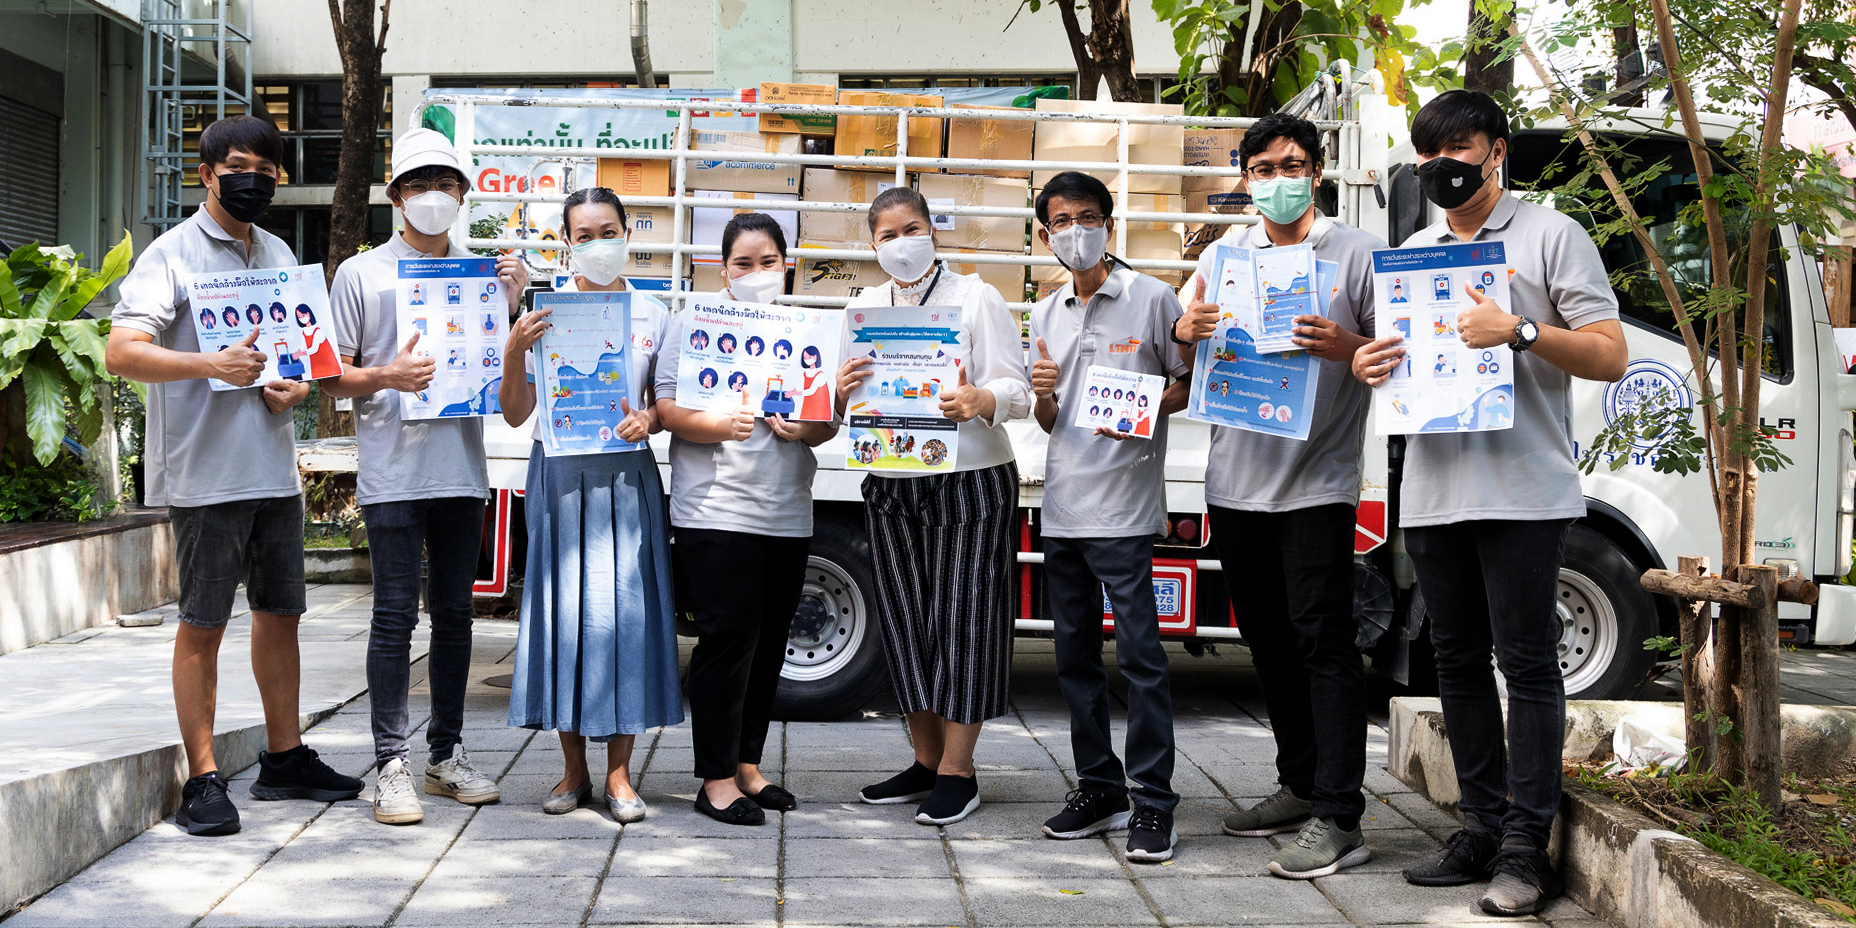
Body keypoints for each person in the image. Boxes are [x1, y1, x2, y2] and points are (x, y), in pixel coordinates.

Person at [1350, 90, 1628, 916]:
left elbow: (1609, 354)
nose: (1444, 166)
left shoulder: (1550, 235)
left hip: (1524, 491)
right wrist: (1374, 364)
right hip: (1434, 492)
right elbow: (1401, 360)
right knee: (1455, 663)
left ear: (1496, 151)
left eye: (1460, 148)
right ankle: (1476, 828)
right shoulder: (1415, 249)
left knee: (1529, 665)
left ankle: (1524, 847)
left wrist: (1522, 332)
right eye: (1428, 151)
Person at [104, 114, 363, 837]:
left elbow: (305, 364)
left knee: (282, 616)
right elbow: (121, 352)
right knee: (203, 625)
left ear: (279, 178)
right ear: (206, 173)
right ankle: (204, 778)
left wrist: (295, 388)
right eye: (237, 167)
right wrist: (207, 364)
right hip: (205, 475)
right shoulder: (172, 255)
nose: (251, 180)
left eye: (265, 169)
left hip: (273, 471)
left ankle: (284, 757)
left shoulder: (277, 248)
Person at [1172, 112, 1385, 879]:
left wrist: (1347, 345)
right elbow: (1181, 343)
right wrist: (1187, 325)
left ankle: (1341, 815)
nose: (1278, 180)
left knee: (1325, 643)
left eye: (1292, 165)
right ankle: (1300, 784)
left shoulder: (1357, 254)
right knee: (1266, 640)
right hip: (1235, 483)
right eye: (1262, 168)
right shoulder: (1226, 253)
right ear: (1246, 177)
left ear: (1318, 173)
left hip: (1318, 485)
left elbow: (1400, 358)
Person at [322, 129, 527, 825]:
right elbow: (328, 374)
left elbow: (508, 389)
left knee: (457, 618)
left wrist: (513, 304)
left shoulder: (483, 276)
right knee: (390, 619)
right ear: (395, 197)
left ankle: (446, 754)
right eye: (418, 186)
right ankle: (390, 764)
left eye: (445, 185)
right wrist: (387, 375)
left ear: (463, 196)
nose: (432, 198)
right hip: (391, 473)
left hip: (462, 472)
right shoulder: (362, 274)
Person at [836, 187, 1030, 826]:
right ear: (872, 245)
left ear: (933, 230)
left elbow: (1018, 389)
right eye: (887, 234)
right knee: (903, 618)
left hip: (970, 476)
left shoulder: (976, 297)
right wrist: (838, 392)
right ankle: (924, 761)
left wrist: (981, 399)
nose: (901, 243)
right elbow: (842, 399)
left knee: (963, 618)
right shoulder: (863, 307)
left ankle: (959, 770)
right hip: (892, 476)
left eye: (911, 228)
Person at [499, 186, 680, 823]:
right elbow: (518, 412)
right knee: (565, 617)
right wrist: (517, 348)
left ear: (628, 233)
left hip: (627, 482)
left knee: (626, 620)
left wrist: (650, 419)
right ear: (567, 242)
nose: (598, 244)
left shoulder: (654, 312)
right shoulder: (546, 311)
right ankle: (572, 771)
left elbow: (666, 402)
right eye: (584, 235)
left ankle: (621, 775)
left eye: (609, 231)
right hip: (560, 475)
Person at [1025, 171, 1189, 862]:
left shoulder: (1153, 297)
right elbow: (1051, 419)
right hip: (1062, 507)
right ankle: (1099, 785)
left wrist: (1145, 408)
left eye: (1087, 217)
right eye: (1060, 221)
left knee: (1144, 661)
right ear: (1044, 235)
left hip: (1124, 510)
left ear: (1109, 225)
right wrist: (1040, 397)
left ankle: (1153, 800)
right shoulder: (1045, 310)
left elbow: (1190, 382)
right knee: (1073, 661)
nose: (1075, 231)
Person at [656, 212, 837, 826]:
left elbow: (827, 423)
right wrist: (718, 425)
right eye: (743, 263)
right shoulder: (693, 324)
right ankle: (714, 778)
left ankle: (748, 766)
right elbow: (667, 408)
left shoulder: (806, 329)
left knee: (768, 646)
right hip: (716, 509)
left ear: (785, 264)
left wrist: (804, 427)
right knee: (727, 641)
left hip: (787, 508)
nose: (756, 273)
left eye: (767, 262)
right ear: (723, 268)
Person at [293, 304, 343, 380]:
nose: (301, 318)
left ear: (308, 314)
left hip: (326, 362)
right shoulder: (304, 331)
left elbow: (314, 349)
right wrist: (298, 352)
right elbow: (303, 344)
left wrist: (300, 354)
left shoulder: (317, 331)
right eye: (299, 317)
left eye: (303, 315)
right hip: (315, 362)